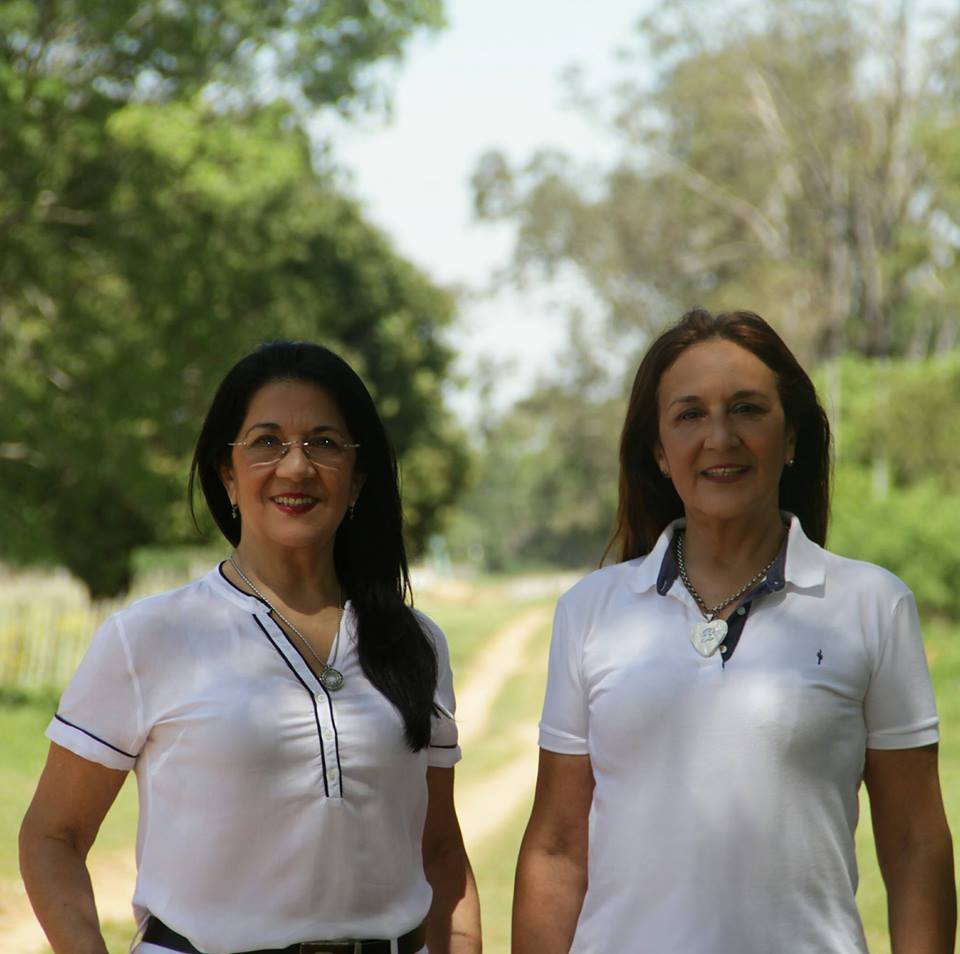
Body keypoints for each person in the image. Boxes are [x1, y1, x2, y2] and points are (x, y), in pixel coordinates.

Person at [513, 309, 955, 954]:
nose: (720, 437)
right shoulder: (590, 610)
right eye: (689, 414)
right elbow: (556, 848)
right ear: (659, 452)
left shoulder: (872, 605)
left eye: (747, 409)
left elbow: (916, 842)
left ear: (792, 436)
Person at [20, 341, 481, 954]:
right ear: (227, 475)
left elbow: (441, 850)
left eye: (324, 443)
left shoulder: (416, 643)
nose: (296, 467)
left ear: (358, 478)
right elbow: (53, 836)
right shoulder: (150, 637)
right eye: (266, 442)